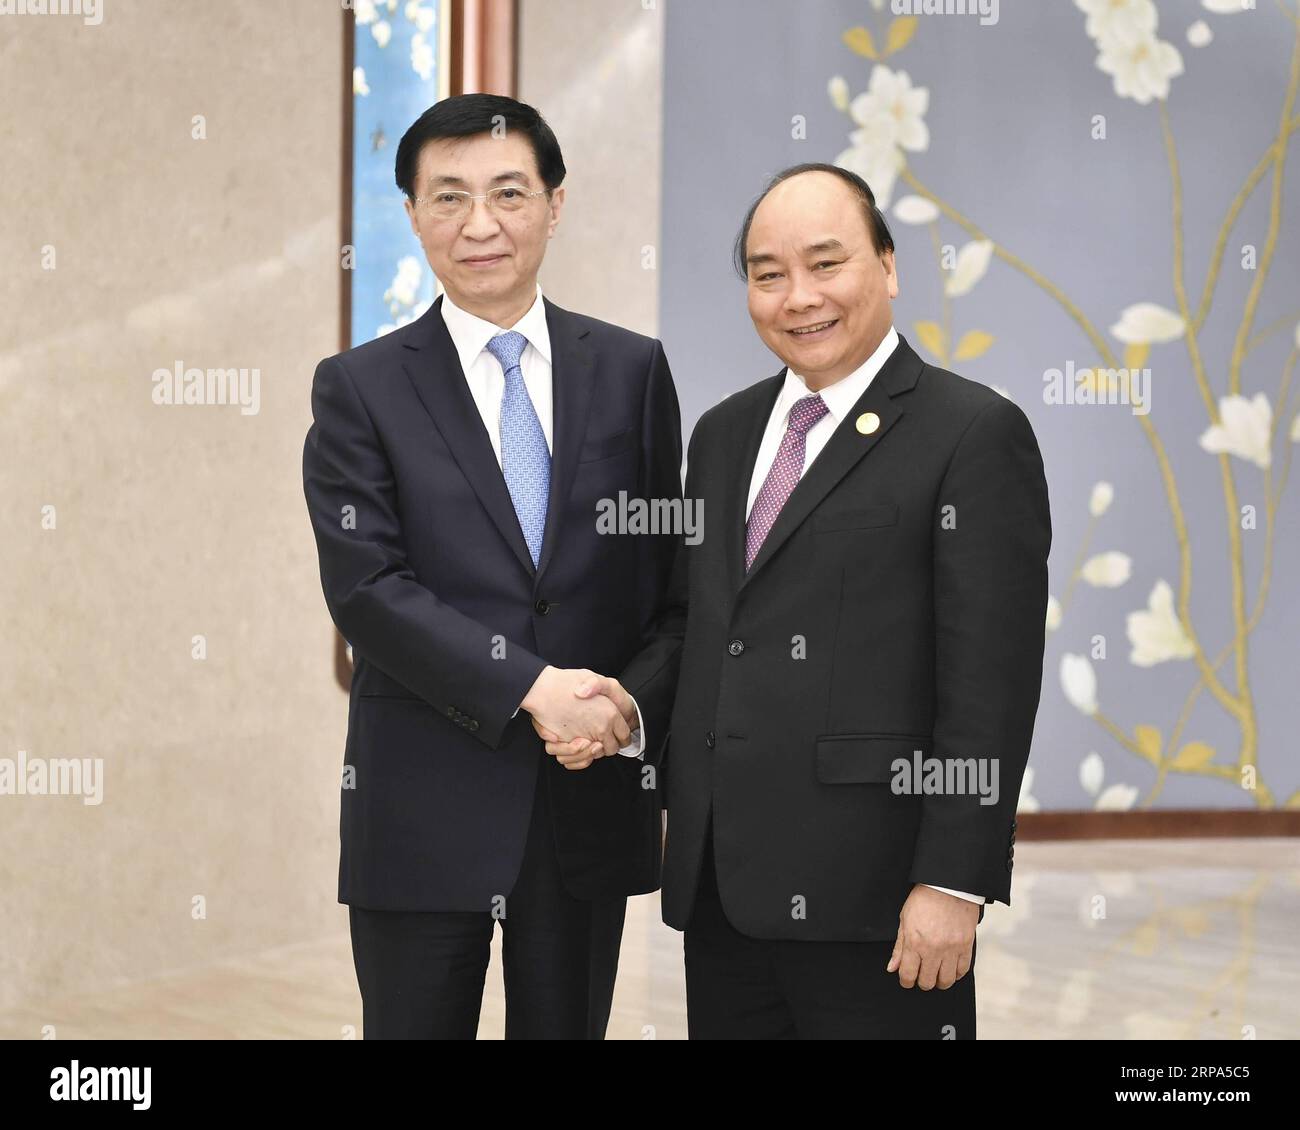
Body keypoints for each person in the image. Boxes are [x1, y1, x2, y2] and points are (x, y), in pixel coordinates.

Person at [544, 163, 1051, 1039]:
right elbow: (697, 624)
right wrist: (627, 709)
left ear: (887, 268)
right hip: (722, 893)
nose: (797, 296)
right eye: (767, 273)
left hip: (879, 902)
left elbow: (990, 685)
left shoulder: (970, 433)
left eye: (827, 264)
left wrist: (953, 883)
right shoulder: (723, 434)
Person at [302, 94, 681, 1039]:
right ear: (413, 215)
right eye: (449, 198)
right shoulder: (361, 387)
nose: (480, 225)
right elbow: (368, 592)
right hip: (421, 807)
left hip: (584, 800)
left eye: (509, 193)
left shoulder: (633, 371)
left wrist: (625, 708)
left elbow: (670, 591)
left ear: (557, 204)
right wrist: (533, 687)